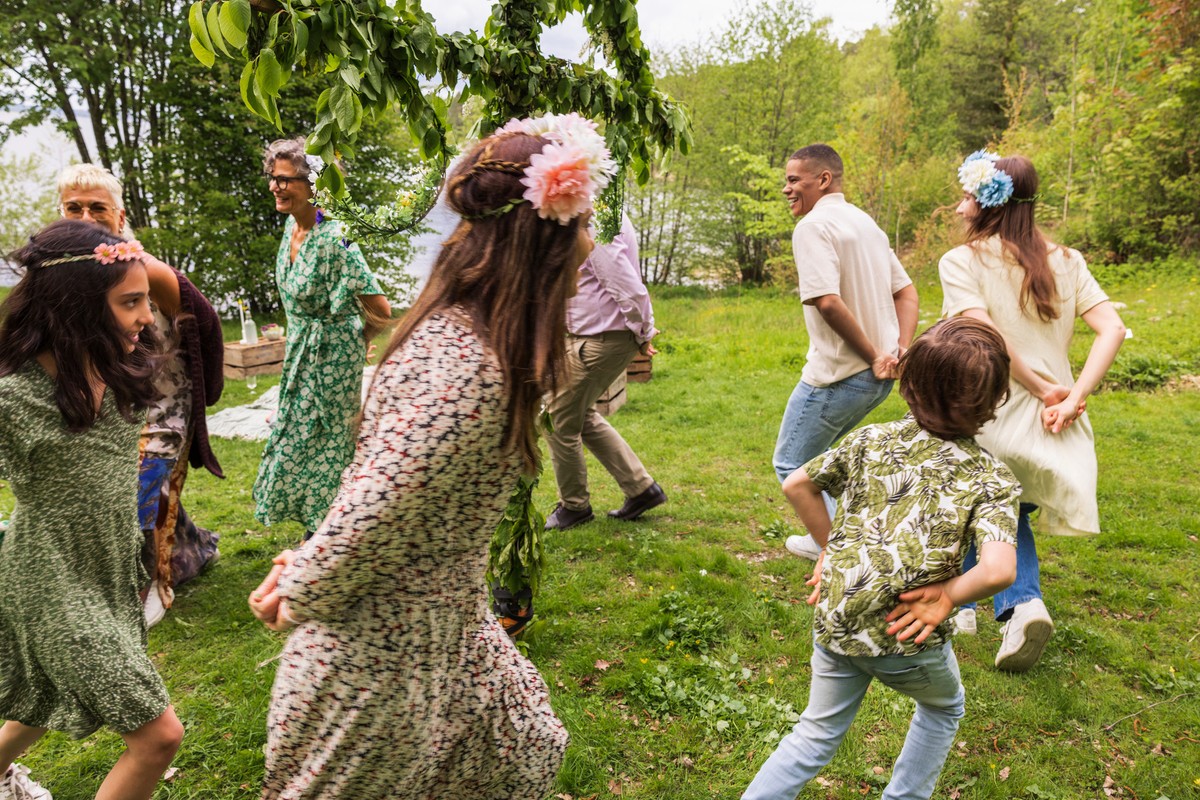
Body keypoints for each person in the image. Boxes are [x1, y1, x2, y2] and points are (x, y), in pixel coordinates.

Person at [245, 112, 611, 798]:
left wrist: (312, 557)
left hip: (452, 627)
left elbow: (389, 486)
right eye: (583, 226)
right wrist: (304, 582)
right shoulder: (468, 368)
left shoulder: (480, 341)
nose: (590, 246)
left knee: (527, 750)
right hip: (381, 659)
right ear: (537, 240)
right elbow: (380, 504)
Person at [741, 317, 1019, 800]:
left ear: (907, 384)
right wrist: (948, 596)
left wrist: (830, 547)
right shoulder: (992, 479)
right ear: (995, 401)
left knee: (814, 733)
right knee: (943, 708)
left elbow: (797, 484)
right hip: (904, 636)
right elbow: (998, 569)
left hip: (838, 619)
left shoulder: (869, 440)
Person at [0, 220, 185, 800]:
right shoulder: (12, 396)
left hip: (108, 571)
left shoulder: (116, 369)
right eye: (130, 303)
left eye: (146, 300)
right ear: (76, 306)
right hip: (49, 582)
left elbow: (192, 317)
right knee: (159, 738)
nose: (146, 317)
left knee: (43, 699)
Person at [940, 151, 1126, 671]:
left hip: (989, 406)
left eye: (966, 197)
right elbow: (1112, 329)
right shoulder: (1067, 260)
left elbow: (987, 335)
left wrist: (1046, 390)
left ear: (989, 202)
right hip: (1050, 418)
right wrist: (1071, 394)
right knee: (999, 504)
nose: (958, 208)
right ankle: (966, 605)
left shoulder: (962, 261)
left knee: (983, 503)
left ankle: (1020, 605)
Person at [57, 164, 224, 627]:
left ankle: (153, 585)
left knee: (144, 489)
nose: (86, 217)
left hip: (166, 403)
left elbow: (207, 322)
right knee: (135, 488)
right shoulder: (69, 271)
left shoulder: (146, 269)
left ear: (120, 215)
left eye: (97, 207)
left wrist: (207, 394)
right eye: (74, 207)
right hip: (118, 406)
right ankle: (194, 550)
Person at [774, 144, 918, 561]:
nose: (786, 189)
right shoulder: (865, 223)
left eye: (793, 180)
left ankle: (842, 556)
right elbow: (907, 292)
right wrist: (899, 349)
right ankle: (834, 535)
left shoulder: (813, 227)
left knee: (791, 463)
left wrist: (876, 354)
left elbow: (828, 302)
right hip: (876, 379)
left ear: (823, 180)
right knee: (820, 461)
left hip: (839, 376)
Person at [254, 138, 392, 538]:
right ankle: (319, 529)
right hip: (300, 351)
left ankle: (332, 533)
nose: (275, 186)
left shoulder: (338, 236)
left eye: (285, 179)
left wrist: (355, 339)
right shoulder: (291, 227)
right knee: (297, 438)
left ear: (314, 184)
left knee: (330, 444)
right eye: (272, 177)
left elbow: (380, 310)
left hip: (332, 359)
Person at [543, 214, 665, 530]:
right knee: (578, 414)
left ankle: (574, 507)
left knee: (557, 419)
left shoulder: (597, 217)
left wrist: (644, 330)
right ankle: (641, 489)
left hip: (601, 338)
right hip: (590, 336)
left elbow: (625, 283)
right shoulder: (591, 210)